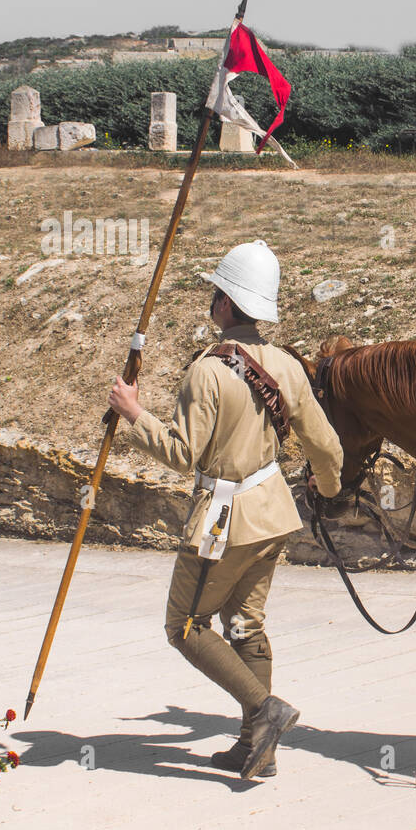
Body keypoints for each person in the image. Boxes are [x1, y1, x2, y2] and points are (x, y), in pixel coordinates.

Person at [108, 240, 343, 780]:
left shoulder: (207, 371)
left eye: (217, 292)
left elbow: (182, 452)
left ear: (227, 305)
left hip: (222, 516)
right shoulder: (287, 365)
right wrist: (326, 489)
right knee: (245, 624)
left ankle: (265, 712)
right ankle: (255, 747)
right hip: (275, 513)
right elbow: (326, 447)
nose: (212, 300)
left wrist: (132, 413)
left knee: (185, 624)